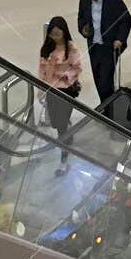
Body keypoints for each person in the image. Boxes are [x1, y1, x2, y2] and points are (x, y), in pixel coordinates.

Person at [77, 0, 131, 104]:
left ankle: (109, 108)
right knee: (98, 78)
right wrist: (83, 28)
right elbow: (81, 18)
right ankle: (107, 106)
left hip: (109, 47)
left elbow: (126, 20)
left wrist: (120, 39)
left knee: (105, 81)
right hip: (94, 46)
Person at [37, 17, 84, 172]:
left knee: (61, 127)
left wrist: (66, 75)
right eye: (53, 34)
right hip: (51, 89)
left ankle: (64, 158)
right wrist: (41, 88)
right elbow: (42, 69)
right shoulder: (47, 48)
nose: (55, 37)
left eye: (58, 34)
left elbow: (77, 67)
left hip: (65, 90)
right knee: (56, 122)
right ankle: (65, 133)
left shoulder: (71, 48)